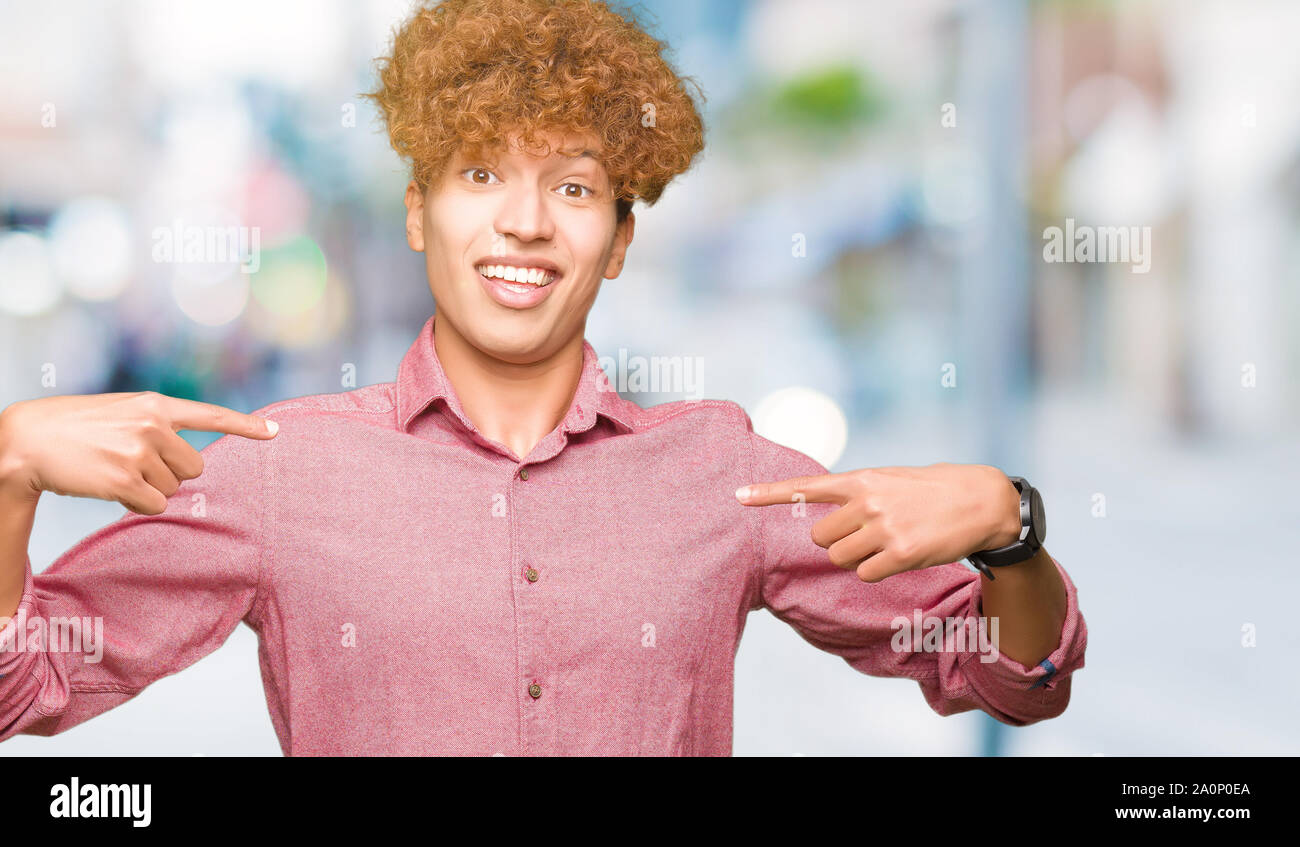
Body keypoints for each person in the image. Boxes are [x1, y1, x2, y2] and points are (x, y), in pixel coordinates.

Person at [0, 0, 1085, 755]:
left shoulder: (724, 475)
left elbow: (1009, 680)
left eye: (572, 186)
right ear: (421, 211)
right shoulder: (280, 471)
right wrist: (9, 473)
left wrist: (1010, 526)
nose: (523, 219)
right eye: (481, 174)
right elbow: (24, 688)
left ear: (615, 241)